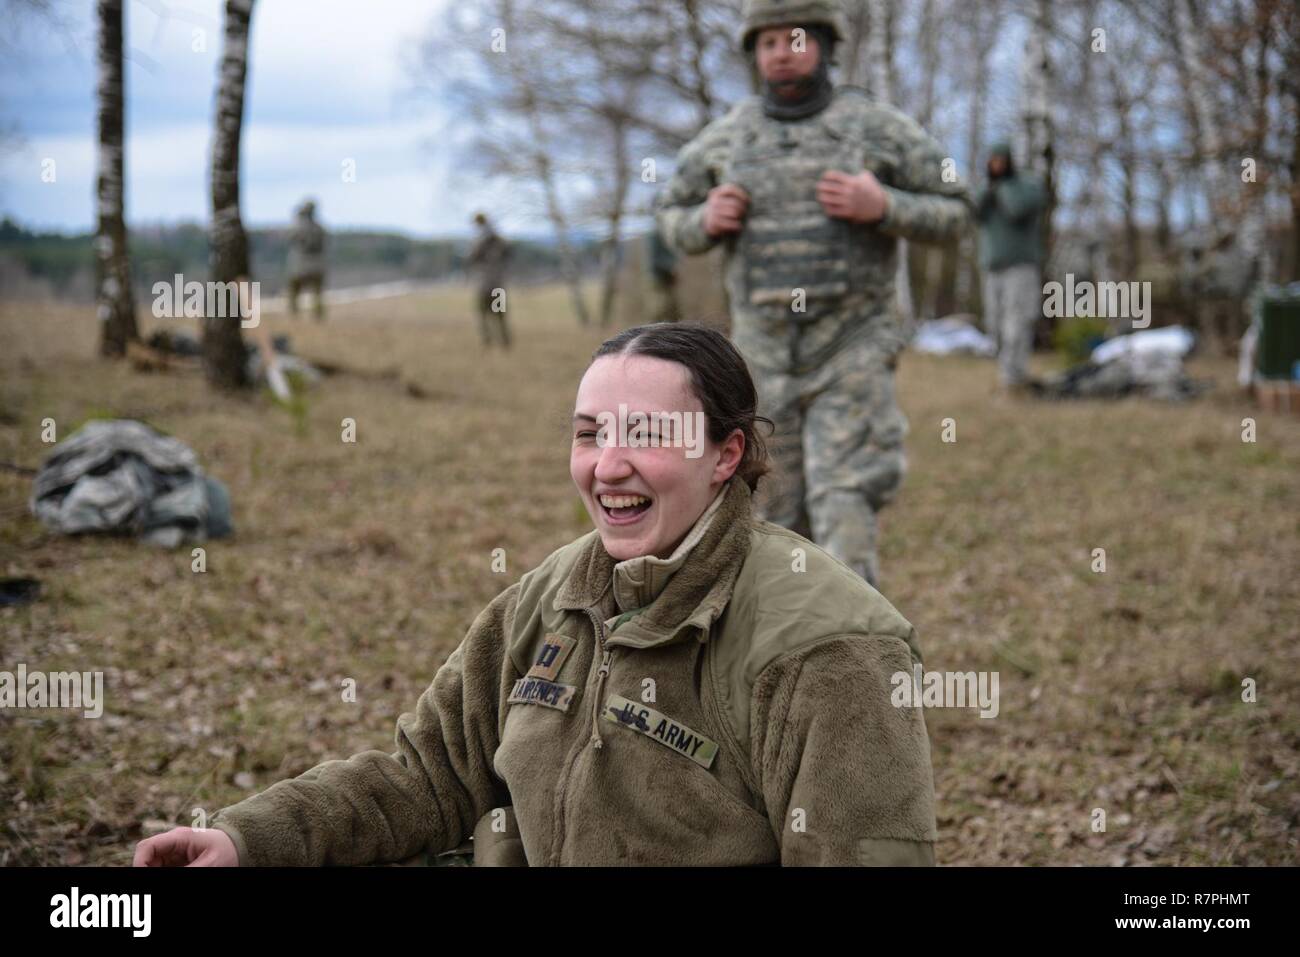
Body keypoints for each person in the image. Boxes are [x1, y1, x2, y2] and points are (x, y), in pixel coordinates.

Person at [132, 323, 936, 867]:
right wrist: (245, 840)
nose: (607, 465)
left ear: (726, 454)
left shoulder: (828, 646)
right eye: (590, 433)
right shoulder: (550, 596)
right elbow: (429, 779)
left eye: (646, 435)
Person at [654, 0, 970, 588]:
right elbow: (671, 212)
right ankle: (779, 657)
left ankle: (856, 661)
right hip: (764, 356)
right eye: (768, 41)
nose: (782, 51)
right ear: (754, 54)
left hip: (851, 345)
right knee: (770, 514)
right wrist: (705, 219)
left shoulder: (874, 127)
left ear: (825, 46)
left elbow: (957, 206)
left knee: (844, 501)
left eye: (795, 38)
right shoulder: (730, 136)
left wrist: (886, 207)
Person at [973, 141, 1046, 389]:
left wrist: (1000, 187)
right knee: (995, 326)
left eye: (1000, 160)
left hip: (1020, 268)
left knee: (1017, 323)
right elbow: (974, 210)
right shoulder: (985, 189)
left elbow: (1016, 210)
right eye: (991, 160)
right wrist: (988, 188)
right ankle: (1009, 376)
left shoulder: (1027, 186)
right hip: (992, 268)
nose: (995, 165)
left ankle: (1014, 379)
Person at [465, 212, 512, 349]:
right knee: (496, 315)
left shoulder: (481, 241)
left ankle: (493, 342)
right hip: (495, 284)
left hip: (487, 285)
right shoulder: (499, 240)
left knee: (488, 315)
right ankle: (501, 342)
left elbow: (472, 258)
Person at [286, 199, 326, 320]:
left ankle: (294, 315)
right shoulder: (319, 228)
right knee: (317, 294)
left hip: (300, 265)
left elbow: (290, 238)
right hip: (317, 265)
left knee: (293, 290)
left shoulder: (298, 228)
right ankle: (318, 316)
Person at [647, 227, 681, 323]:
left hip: (668, 278)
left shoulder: (670, 231)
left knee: (672, 307)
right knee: (660, 307)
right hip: (658, 278)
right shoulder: (655, 234)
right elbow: (655, 259)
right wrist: (670, 268)